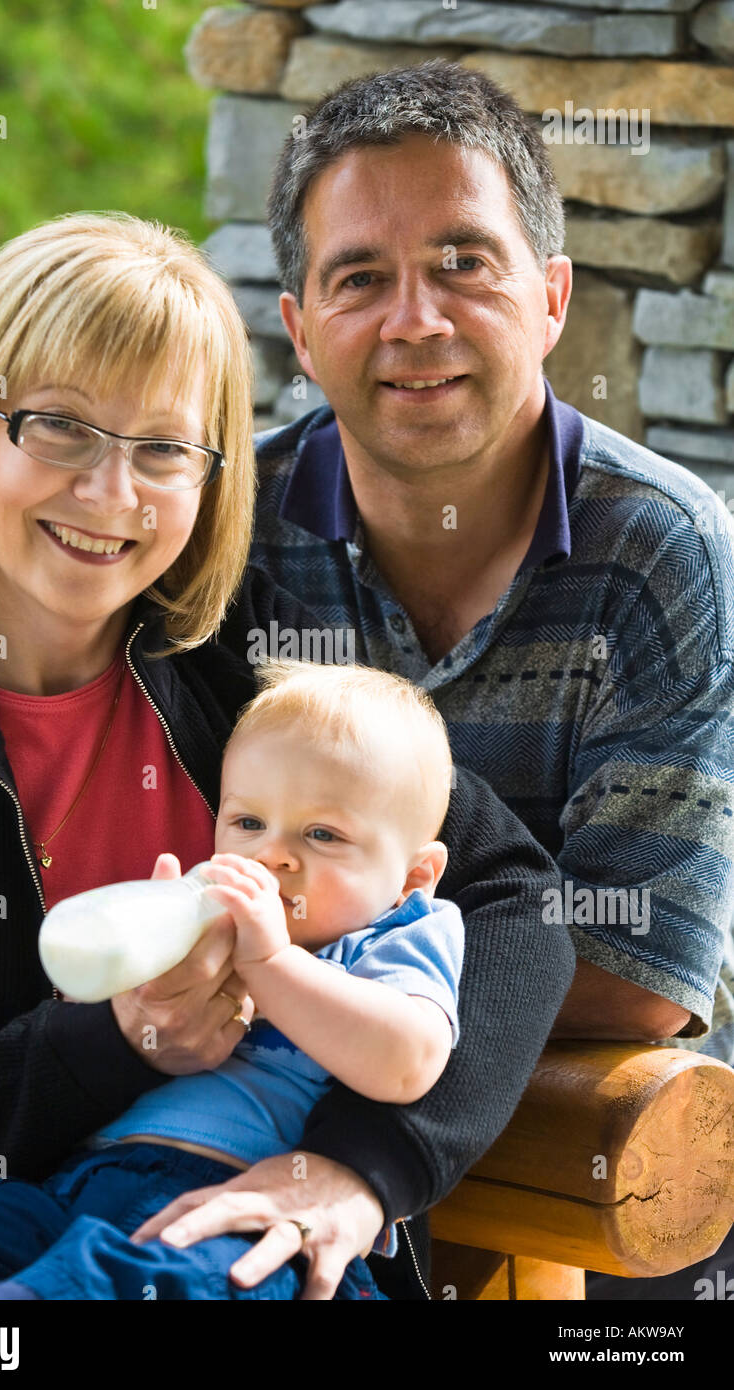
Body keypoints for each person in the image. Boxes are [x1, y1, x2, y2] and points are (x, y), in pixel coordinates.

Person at [0, 210, 573, 1301]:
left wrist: (359, 1167)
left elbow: (513, 895)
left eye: (162, 449)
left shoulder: (242, 664)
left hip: (234, 1262)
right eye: (56, 425)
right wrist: (107, 1045)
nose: (111, 494)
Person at [250, 59, 734, 1295]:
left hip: (601, 1154)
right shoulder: (224, 529)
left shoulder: (665, 552)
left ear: (552, 297)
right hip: (261, 1128)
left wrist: (302, 982)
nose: (415, 319)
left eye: (463, 261)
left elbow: (638, 979)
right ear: (300, 331)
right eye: (359, 278)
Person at [0, 660, 465, 1301]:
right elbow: (87, 1018)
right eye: (248, 823)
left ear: (413, 875)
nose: (272, 855)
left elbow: (408, 1062)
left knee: (116, 1283)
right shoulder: (206, 917)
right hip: (83, 1177)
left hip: (237, 1211)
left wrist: (272, 966)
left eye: (322, 834)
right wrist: (117, 985)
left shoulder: (400, 934)